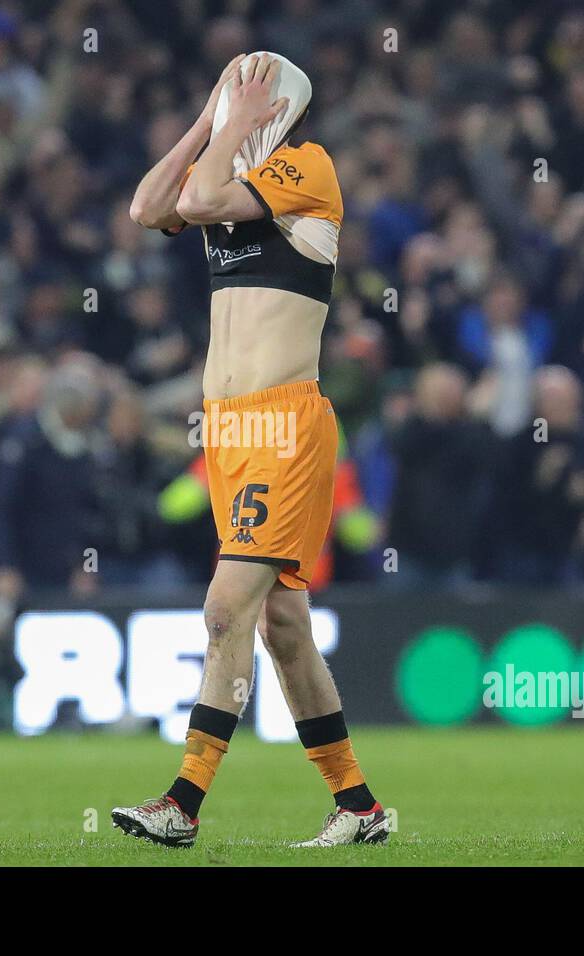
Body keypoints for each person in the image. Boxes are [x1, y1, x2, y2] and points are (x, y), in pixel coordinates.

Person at [113, 52, 387, 848]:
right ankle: (359, 805)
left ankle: (182, 803)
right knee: (284, 627)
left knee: (224, 608)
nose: (232, 110)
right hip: (229, 429)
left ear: (276, 108)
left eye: (244, 98)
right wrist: (206, 121)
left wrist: (231, 125)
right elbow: (145, 207)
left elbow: (195, 196)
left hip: (283, 422)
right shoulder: (226, 186)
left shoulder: (307, 165)